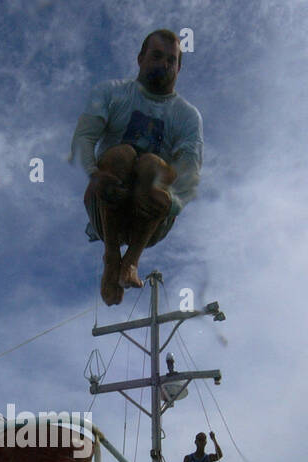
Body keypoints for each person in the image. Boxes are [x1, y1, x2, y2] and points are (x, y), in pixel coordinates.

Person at [71, 29, 203, 306]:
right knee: (121, 154)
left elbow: (190, 170)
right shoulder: (111, 92)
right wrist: (94, 174)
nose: (164, 64)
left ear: (179, 68)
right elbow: (84, 137)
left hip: (152, 216)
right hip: (107, 204)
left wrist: (173, 202)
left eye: (171, 60)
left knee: (152, 165)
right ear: (141, 58)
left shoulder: (188, 116)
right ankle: (111, 257)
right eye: (156, 56)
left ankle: (131, 259)